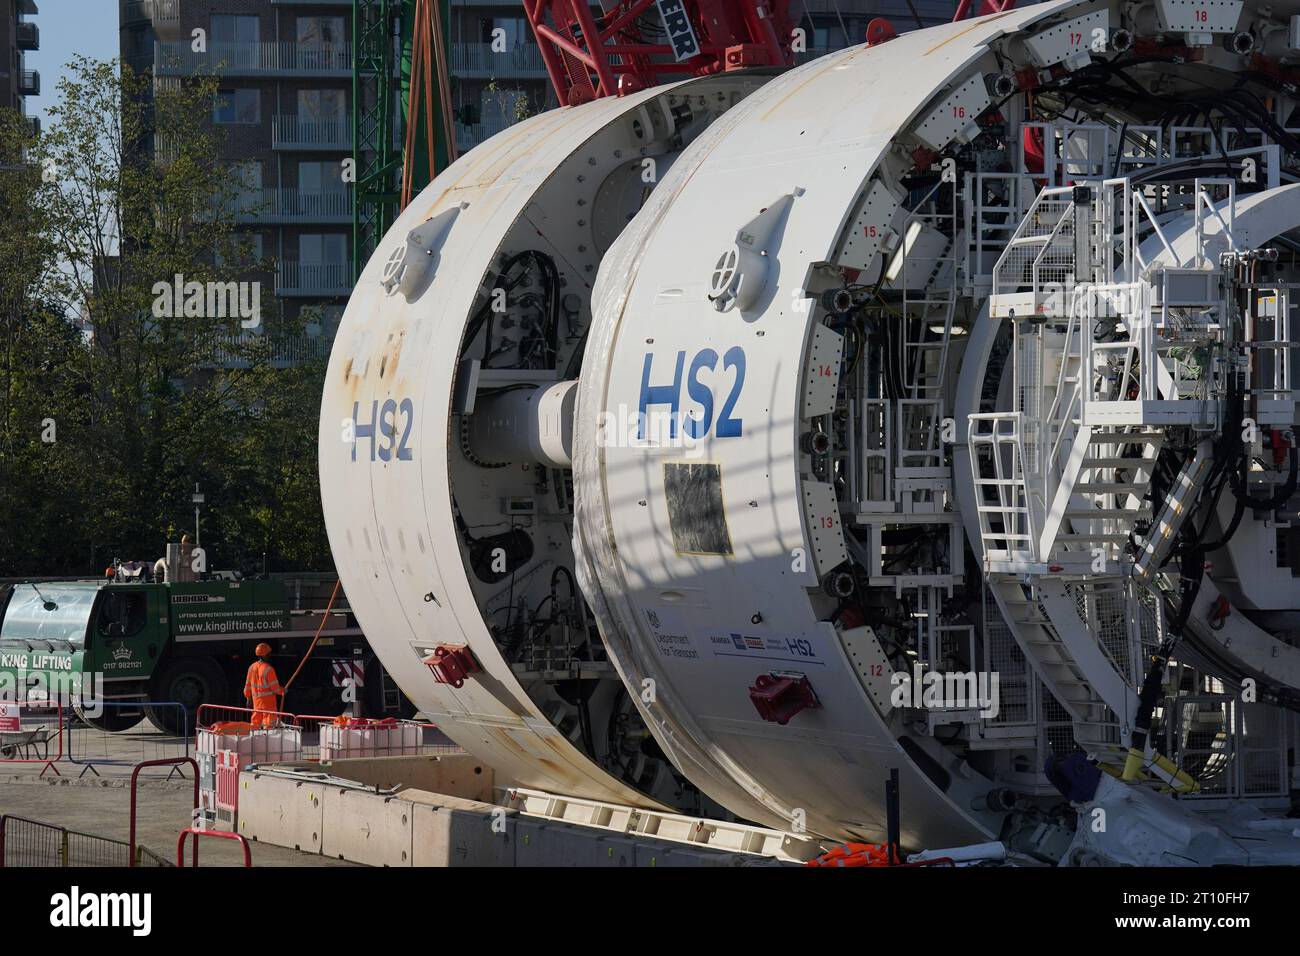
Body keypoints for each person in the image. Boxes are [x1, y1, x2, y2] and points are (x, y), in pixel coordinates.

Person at [244, 643, 284, 728]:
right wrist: (283, 690)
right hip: (268, 706)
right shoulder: (269, 669)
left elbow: (247, 686)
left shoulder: (251, 667)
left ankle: (254, 740)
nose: (270, 656)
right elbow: (275, 689)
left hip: (257, 704)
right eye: (269, 654)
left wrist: (248, 698)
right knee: (269, 727)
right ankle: (268, 740)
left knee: (255, 726)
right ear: (266, 655)